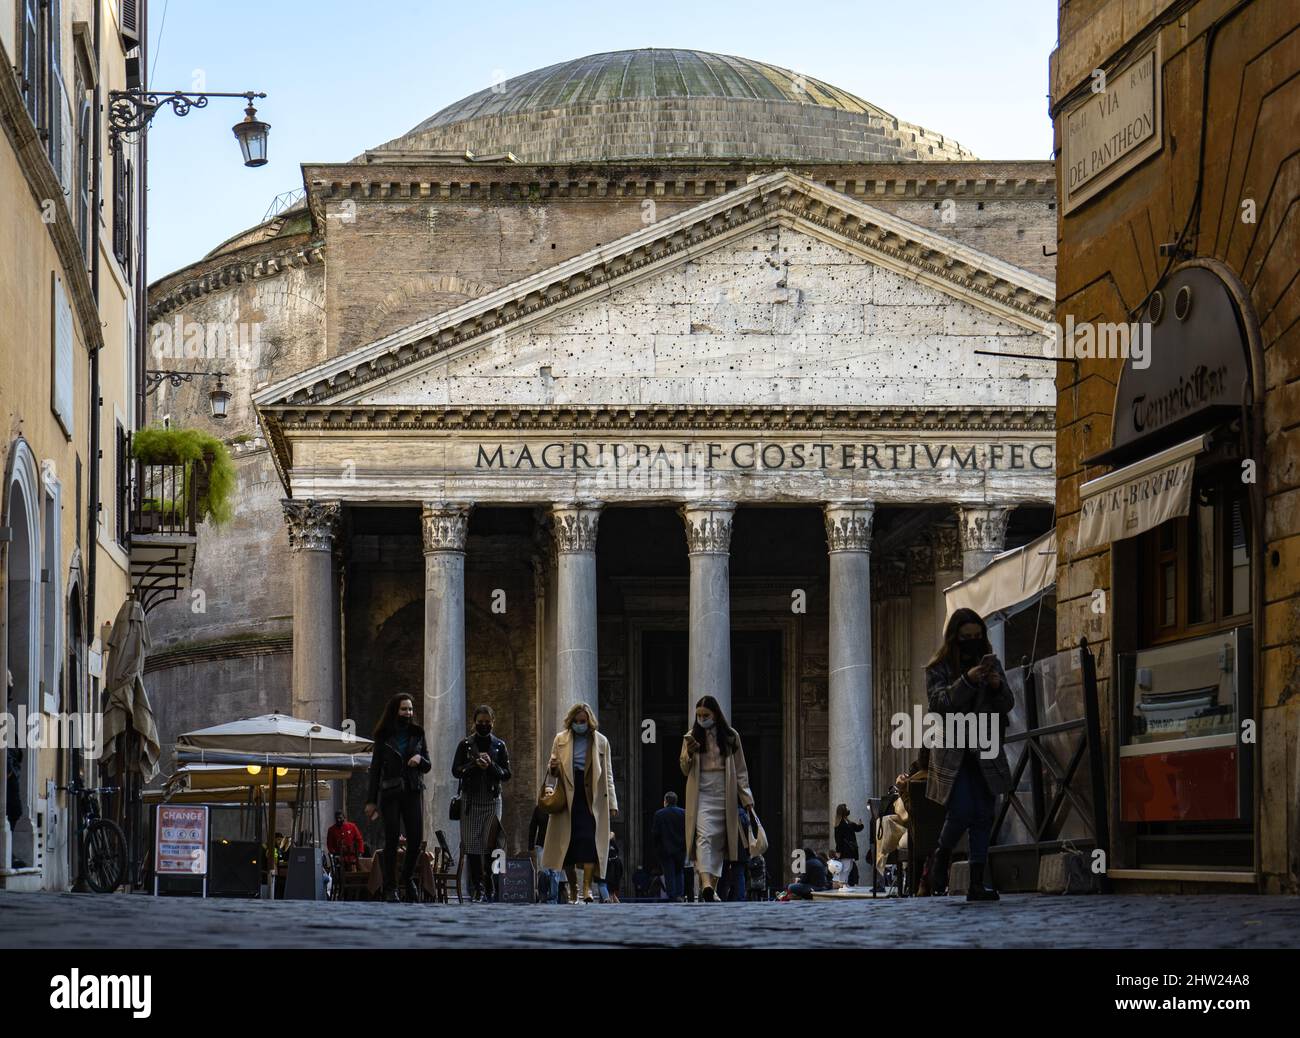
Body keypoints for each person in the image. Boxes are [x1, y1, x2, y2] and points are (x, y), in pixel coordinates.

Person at [925, 608, 1014, 902]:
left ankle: (977, 882)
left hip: (985, 748)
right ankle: (942, 853)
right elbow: (939, 703)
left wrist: (996, 685)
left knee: (983, 815)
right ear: (955, 638)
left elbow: (1008, 703)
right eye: (967, 638)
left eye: (978, 637)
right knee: (961, 810)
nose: (973, 642)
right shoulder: (937, 668)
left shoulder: (991, 664)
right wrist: (967, 680)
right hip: (954, 751)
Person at [540, 702, 618, 903]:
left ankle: (587, 890)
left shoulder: (601, 741)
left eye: (582, 721)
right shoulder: (560, 739)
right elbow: (553, 771)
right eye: (576, 721)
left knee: (590, 842)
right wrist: (553, 767)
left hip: (591, 796)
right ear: (571, 721)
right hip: (567, 796)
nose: (579, 724)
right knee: (567, 846)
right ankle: (574, 888)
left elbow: (608, 773)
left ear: (589, 721)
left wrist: (613, 803)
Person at [680, 695, 755, 902]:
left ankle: (710, 889)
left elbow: (740, 769)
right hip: (701, 792)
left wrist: (746, 798)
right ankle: (705, 883)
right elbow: (684, 769)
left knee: (720, 842)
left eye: (706, 715)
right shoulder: (691, 736)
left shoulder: (731, 736)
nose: (702, 719)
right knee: (704, 838)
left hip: (725, 791)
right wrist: (689, 753)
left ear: (715, 714)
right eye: (699, 715)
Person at [364, 693, 432, 902]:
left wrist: (420, 759)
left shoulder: (418, 733)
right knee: (391, 839)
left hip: (412, 790)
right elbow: (375, 770)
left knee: (415, 838)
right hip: (390, 793)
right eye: (404, 709)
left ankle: (407, 876)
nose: (408, 713)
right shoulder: (383, 736)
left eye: (410, 709)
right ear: (395, 710)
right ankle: (391, 887)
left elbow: (428, 765)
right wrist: (371, 801)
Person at [452, 704, 511, 903]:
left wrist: (491, 765)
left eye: (487, 723)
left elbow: (506, 774)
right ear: (474, 723)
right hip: (471, 800)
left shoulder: (499, 745)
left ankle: (491, 885)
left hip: (492, 800)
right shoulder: (465, 745)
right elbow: (456, 770)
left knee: (491, 843)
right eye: (480, 723)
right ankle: (478, 887)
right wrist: (474, 765)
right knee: (473, 845)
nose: (484, 725)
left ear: (493, 723)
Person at [650, 791, 687, 902]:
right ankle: (680, 895)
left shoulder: (659, 814)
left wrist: (657, 848)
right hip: (680, 848)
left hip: (665, 849)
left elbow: (655, 833)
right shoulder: (684, 813)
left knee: (669, 873)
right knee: (679, 872)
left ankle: (672, 895)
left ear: (666, 801)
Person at [529, 804, 559, 904]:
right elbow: (533, 826)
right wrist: (530, 844)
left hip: (555, 845)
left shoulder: (557, 807)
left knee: (554, 873)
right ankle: (543, 896)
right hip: (541, 844)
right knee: (544, 872)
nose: (548, 794)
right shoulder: (539, 809)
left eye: (550, 792)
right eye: (546, 792)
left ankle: (553, 898)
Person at [833, 804, 864, 887]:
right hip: (844, 848)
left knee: (849, 866)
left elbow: (856, 828)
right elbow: (838, 839)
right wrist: (838, 850)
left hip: (850, 848)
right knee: (845, 867)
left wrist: (860, 825)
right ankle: (842, 883)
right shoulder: (839, 824)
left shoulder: (848, 822)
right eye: (846, 809)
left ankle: (844, 882)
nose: (848, 810)